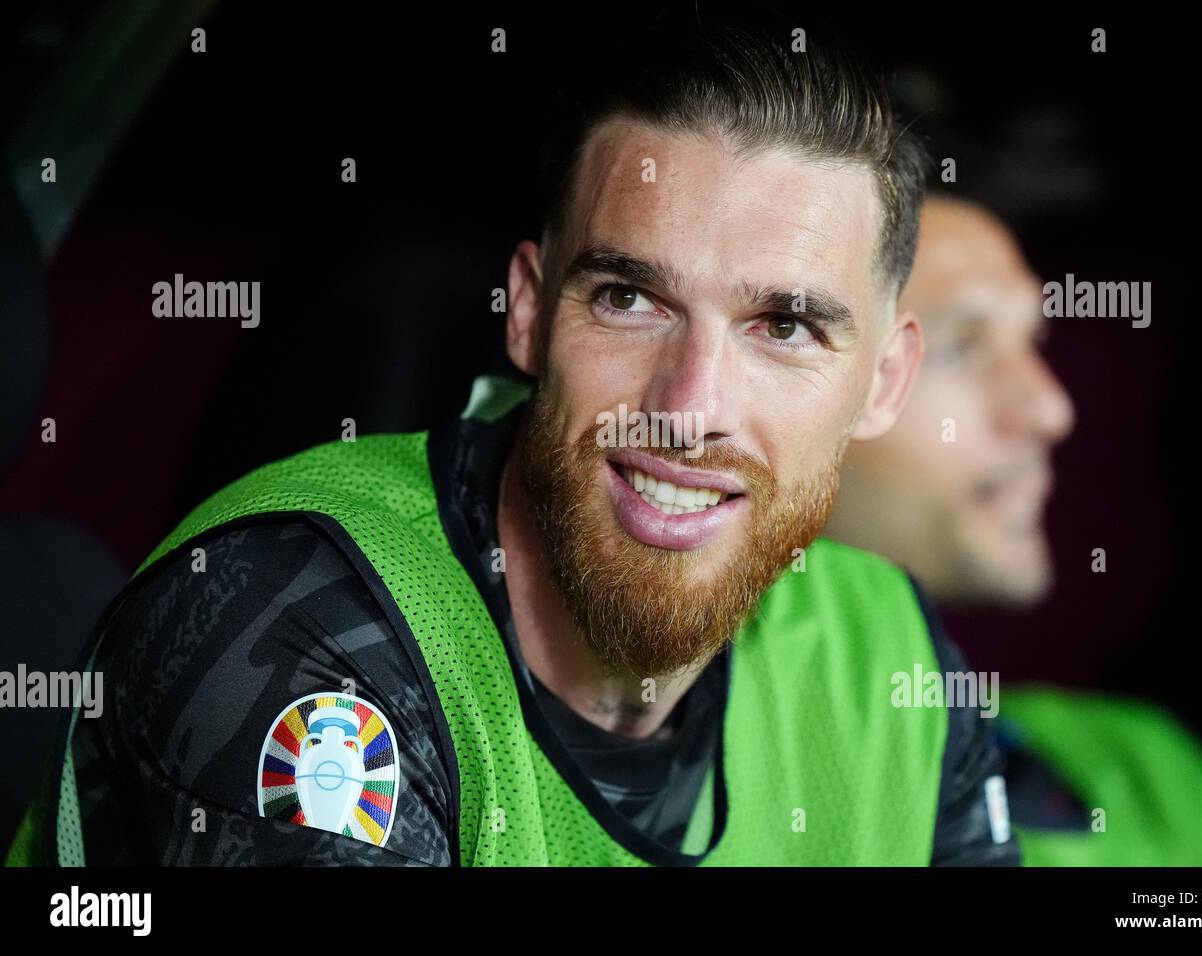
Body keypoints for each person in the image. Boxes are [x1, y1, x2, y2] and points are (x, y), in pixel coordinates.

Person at [7, 23, 1016, 866]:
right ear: (528, 313)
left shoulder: (893, 660)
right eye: (628, 298)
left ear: (884, 378)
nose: (689, 404)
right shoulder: (295, 623)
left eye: (785, 326)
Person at [823, 194, 1202, 865]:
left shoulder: (1144, 769)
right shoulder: (661, 787)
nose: (1052, 408)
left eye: (1032, 342)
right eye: (959, 346)